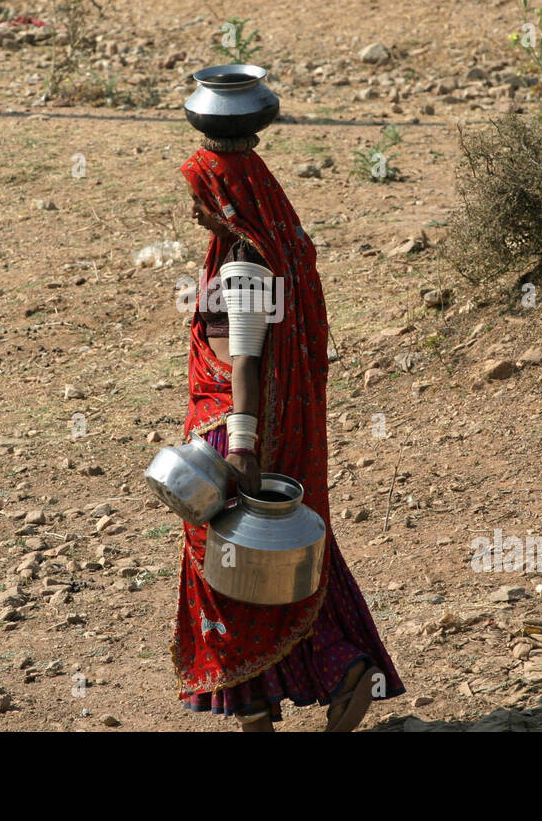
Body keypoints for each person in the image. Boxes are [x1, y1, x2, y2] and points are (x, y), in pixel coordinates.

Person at [171, 131, 405, 732]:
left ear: (225, 201)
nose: (192, 209)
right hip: (247, 434)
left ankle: (341, 674)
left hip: (234, 439)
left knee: (232, 577)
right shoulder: (272, 248)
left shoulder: (244, 263)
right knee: (269, 569)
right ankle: (334, 676)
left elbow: (245, 359)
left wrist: (243, 447)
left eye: (199, 195)